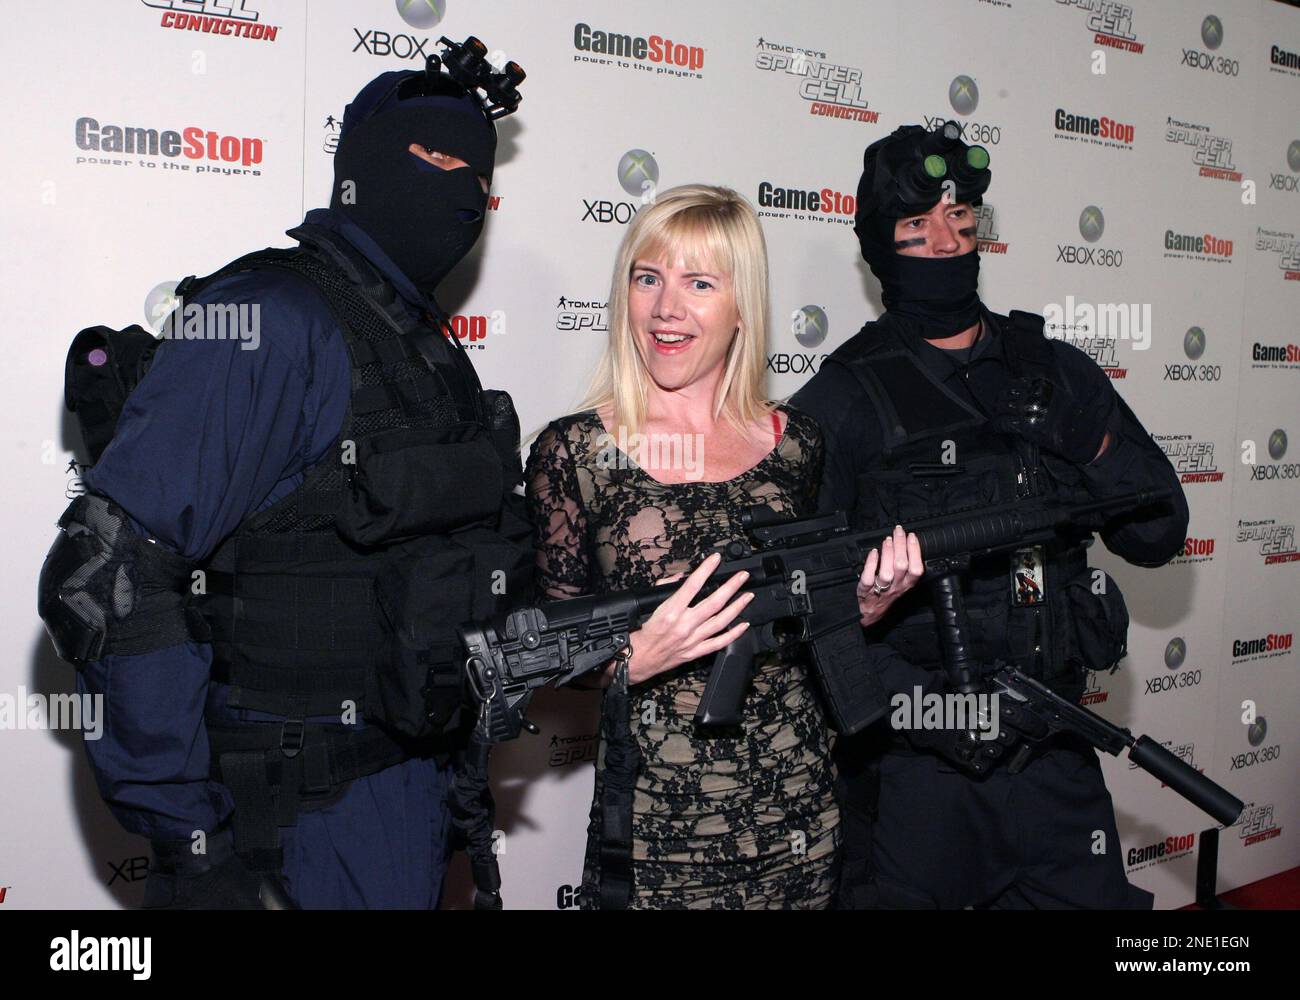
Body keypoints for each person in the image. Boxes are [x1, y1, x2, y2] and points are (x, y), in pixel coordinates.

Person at [38, 39, 531, 909]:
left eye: (477, 174)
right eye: (432, 157)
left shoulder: (419, 344)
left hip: (407, 801)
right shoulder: (271, 316)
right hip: (290, 825)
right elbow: (107, 575)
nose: (459, 192)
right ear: (363, 169)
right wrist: (197, 843)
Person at [791, 122, 1190, 910]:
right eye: (917, 227)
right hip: (917, 774)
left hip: (1056, 749)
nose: (945, 242)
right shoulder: (842, 400)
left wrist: (1088, 439)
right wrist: (934, 712)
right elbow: (811, 612)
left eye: (961, 220)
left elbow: (1157, 532)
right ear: (879, 248)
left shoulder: (1052, 368)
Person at [524, 184, 922, 909]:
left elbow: (798, 614)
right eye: (648, 278)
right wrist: (631, 661)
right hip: (657, 830)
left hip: (800, 812)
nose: (666, 307)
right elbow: (547, 654)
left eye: (698, 283)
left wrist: (859, 608)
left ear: (741, 307)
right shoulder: (576, 451)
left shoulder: (796, 443)